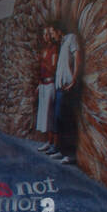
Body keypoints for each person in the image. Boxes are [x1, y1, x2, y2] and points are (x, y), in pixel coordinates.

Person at [54, 22, 83, 165]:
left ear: (58, 30)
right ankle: (63, 151)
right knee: (59, 119)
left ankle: (70, 154)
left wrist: (74, 79)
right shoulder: (62, 43)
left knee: (67, 119)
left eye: (52, 32)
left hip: (67, 86)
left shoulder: (71, 38)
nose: (52, 35)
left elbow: (77, 57)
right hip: (60, 86)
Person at [35, 24, 59, 154]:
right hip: (43, 85)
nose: (46, 36)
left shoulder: (54, 49)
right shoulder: (43, 50)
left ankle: (53, 144)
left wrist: (43, 62)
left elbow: (53, 69)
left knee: (50, 114)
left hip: (50, 84)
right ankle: (48, 142)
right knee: (44, 114)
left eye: (48, 34)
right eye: (44, 34)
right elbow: (41, 70)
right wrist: (39, 83)